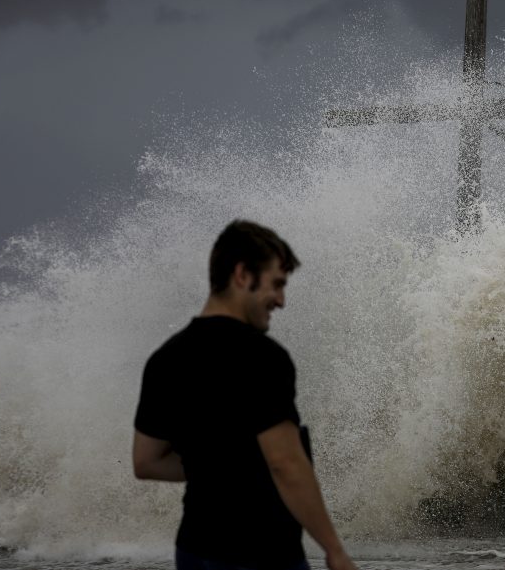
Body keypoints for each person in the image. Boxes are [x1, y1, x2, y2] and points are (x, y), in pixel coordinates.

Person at [132, 220, 357, 570]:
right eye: (277, 285)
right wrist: (334, 550)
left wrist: (216, 467)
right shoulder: (262, 357)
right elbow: (285, 463)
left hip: (193, 550)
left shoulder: (165, 358)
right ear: (242, 275)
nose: (281, 301)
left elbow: (146, 462)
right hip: (261, 551)